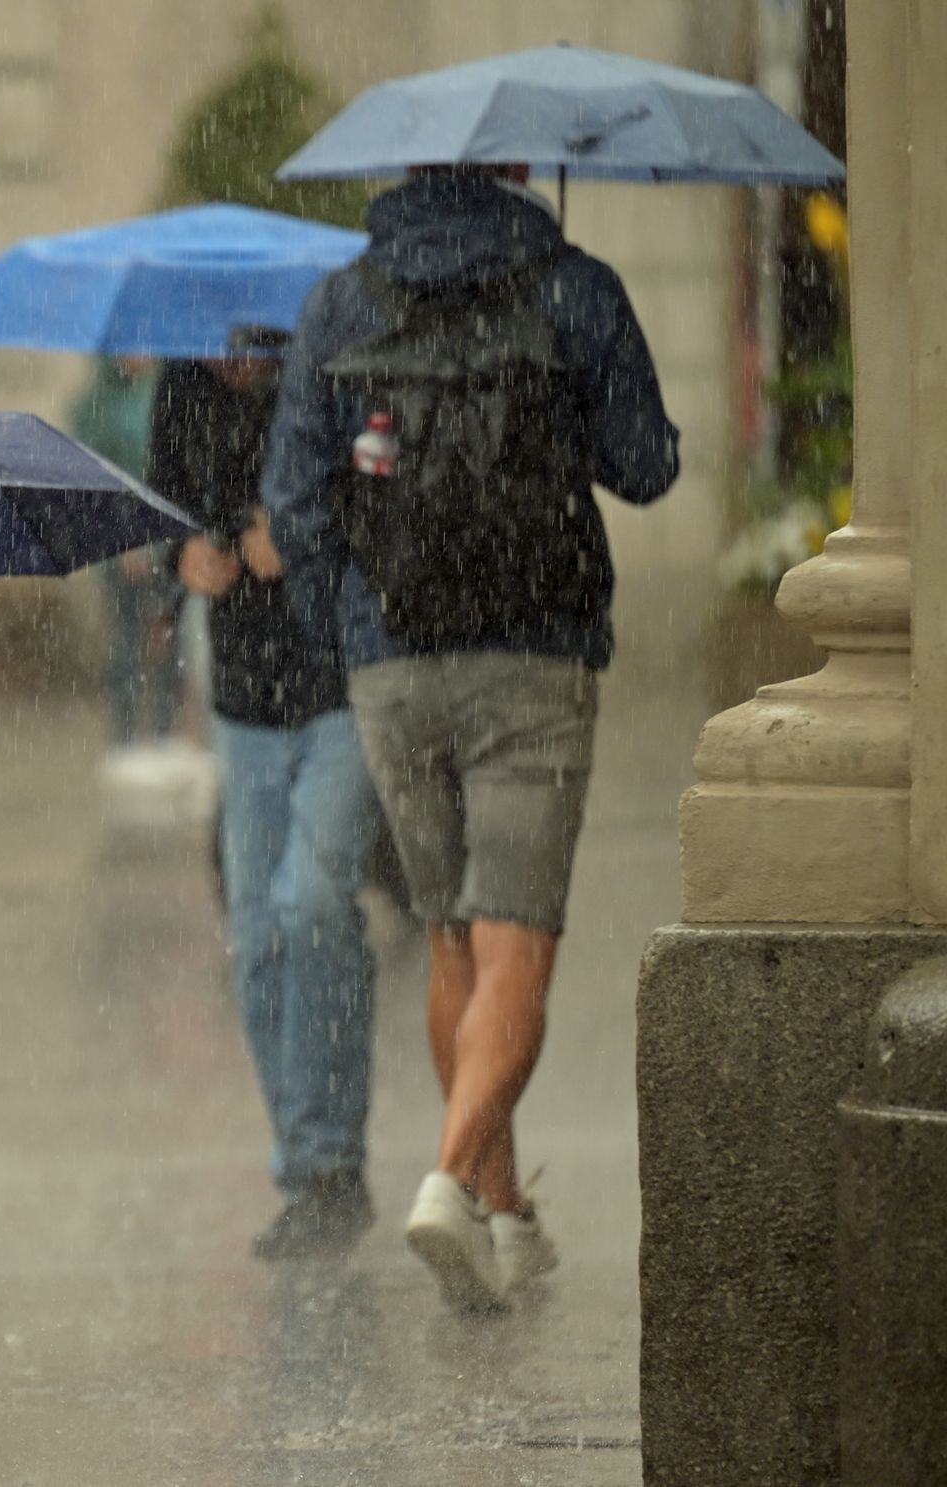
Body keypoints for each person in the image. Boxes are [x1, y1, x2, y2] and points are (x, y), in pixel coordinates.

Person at [262, 165, 680, 1311]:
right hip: (531, 660)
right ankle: (449, 1178)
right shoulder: (572, 285)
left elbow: (291, 499)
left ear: (401, 175)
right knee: (515, 947)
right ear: (512, 176)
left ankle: (503, 1217)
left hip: (389, 664)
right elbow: (646, 465)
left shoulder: (341, 302)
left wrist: (350, 631)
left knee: (450, 938)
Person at [152, 339, 383, 1261]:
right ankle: (312, 1164)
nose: (227, 361)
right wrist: (183, 556)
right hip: (243, 706)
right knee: (255, 939)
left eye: (243, 347)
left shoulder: (329, 373)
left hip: (341, 689)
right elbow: (162, 506)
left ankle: (328, 1158)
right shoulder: (180, 383)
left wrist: (300, 534)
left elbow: (383, 500)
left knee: (313, 904)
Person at [73, 357, 187, 784]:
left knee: (168, 642)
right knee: (127, 642)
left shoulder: (166, 393)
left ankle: (163, 732)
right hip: (125, 551)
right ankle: (124, 739)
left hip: (167, 544)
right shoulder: (98, 406)